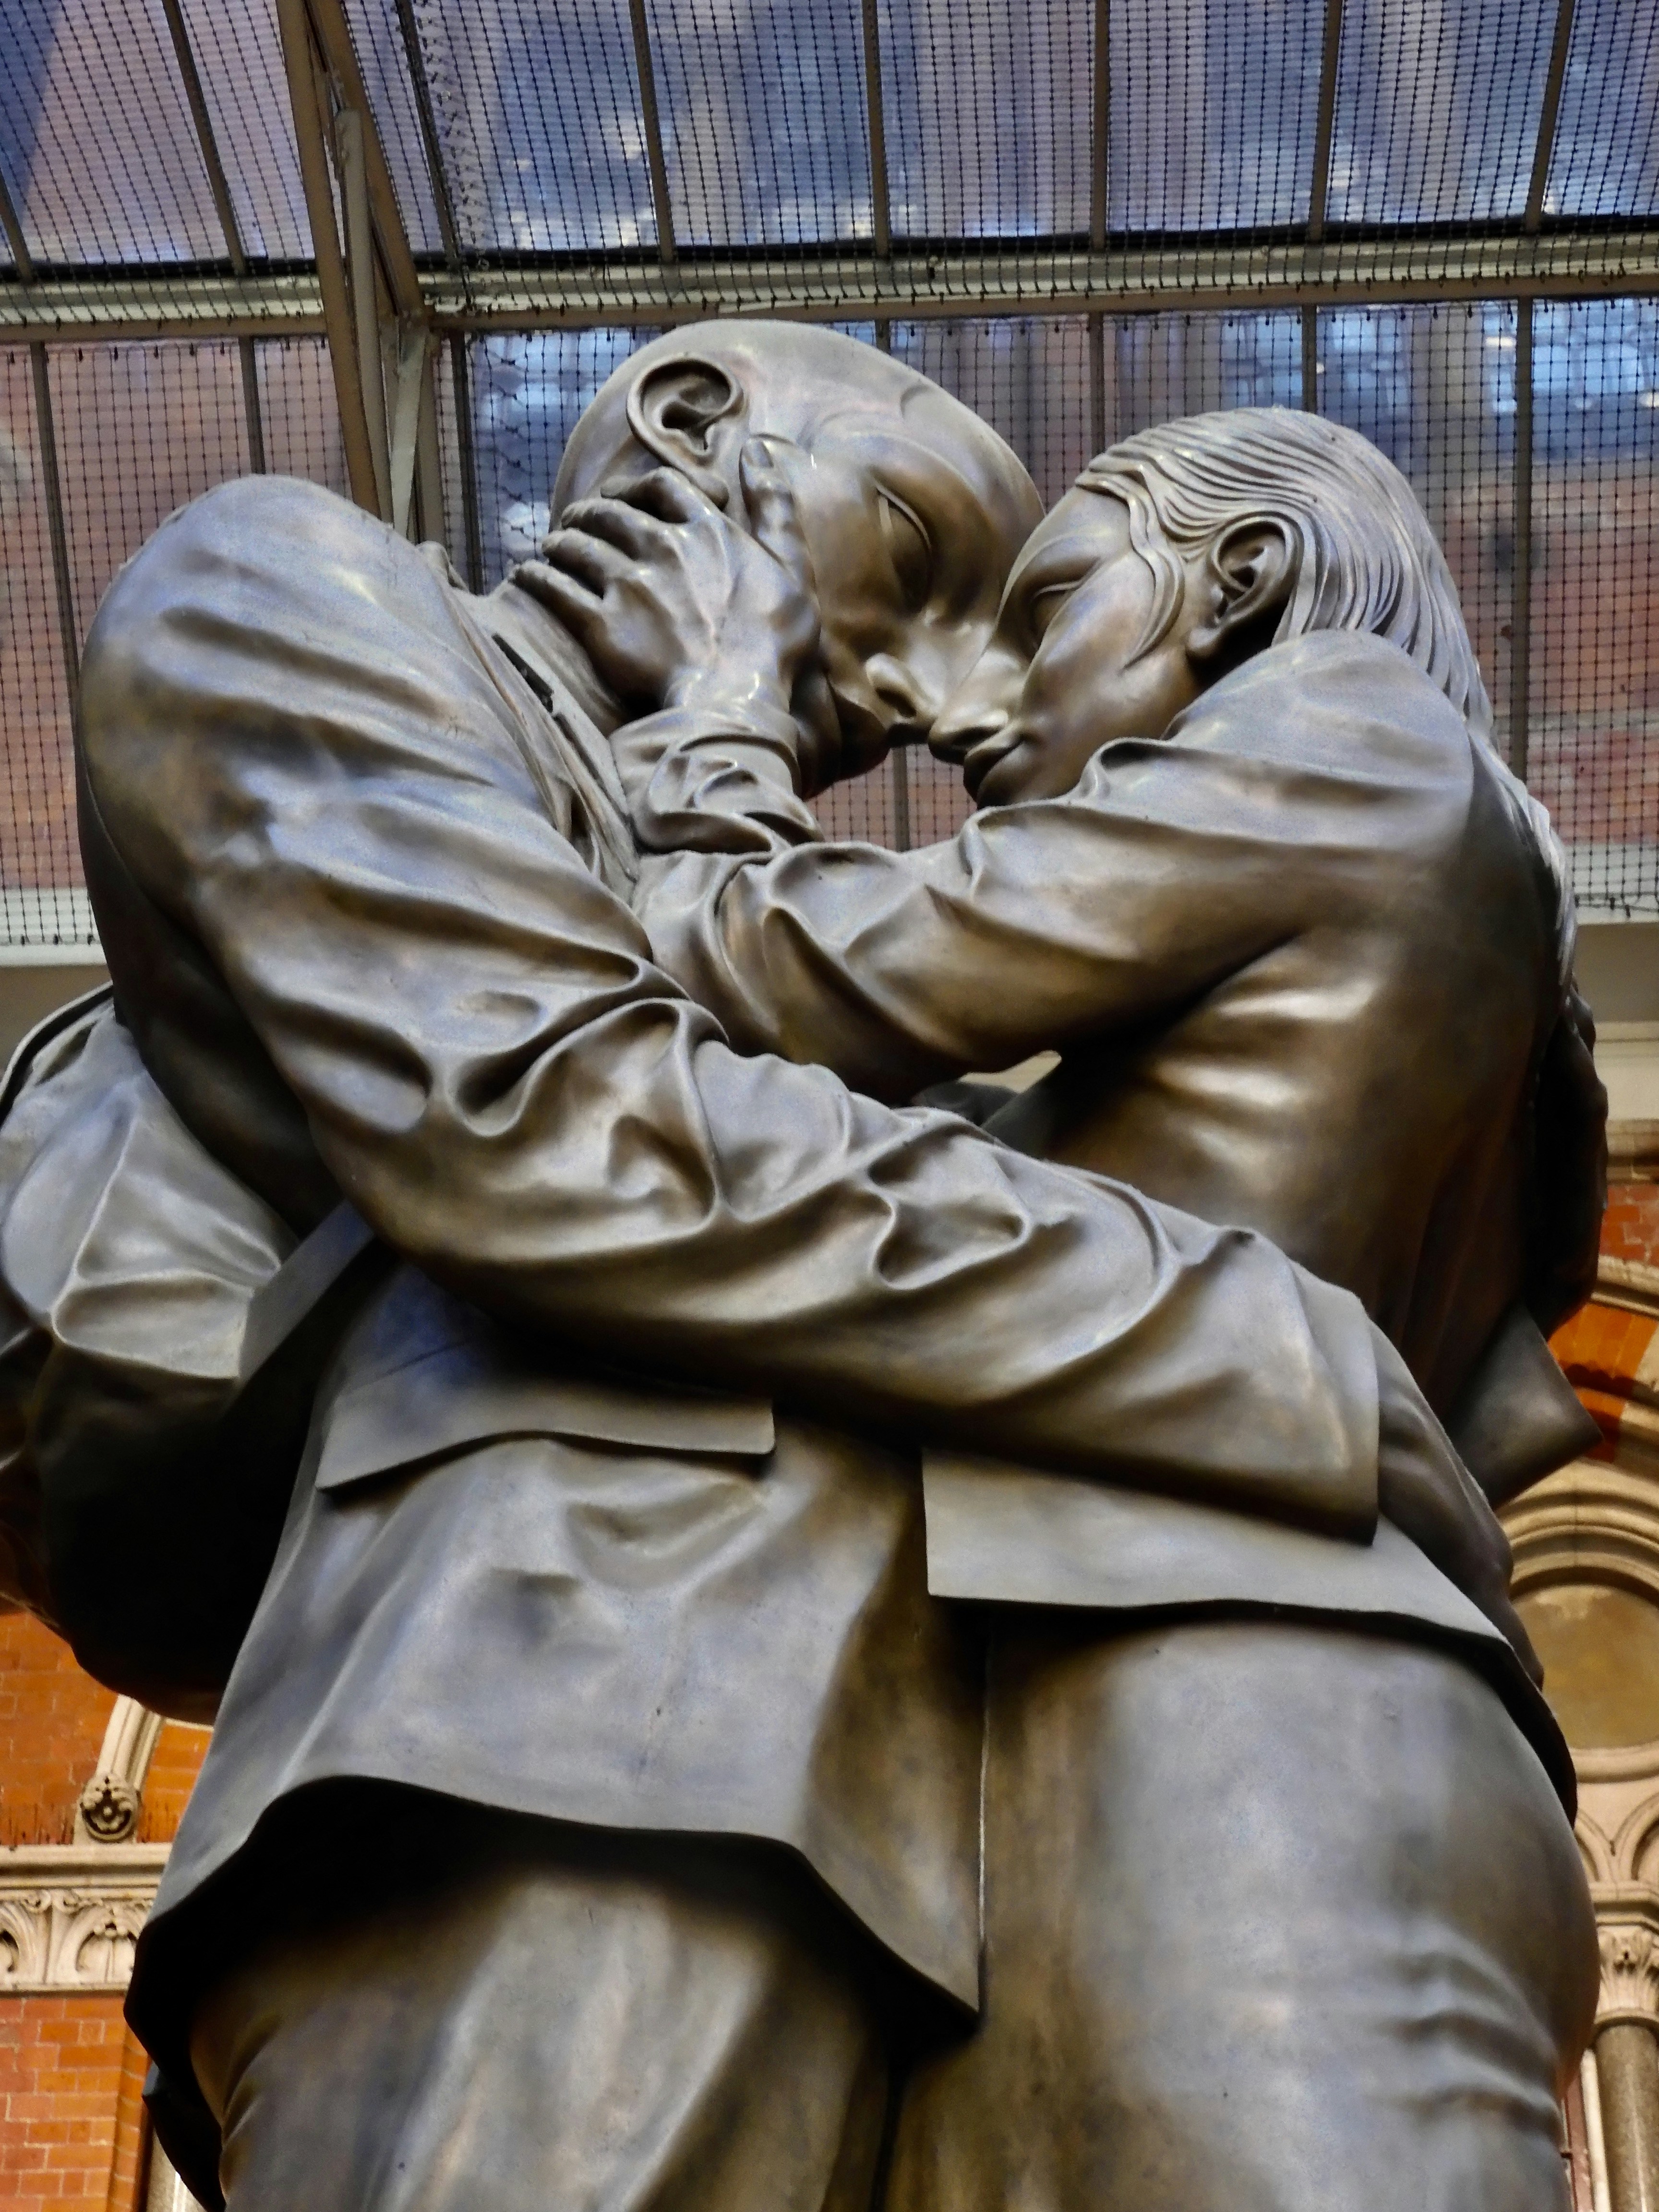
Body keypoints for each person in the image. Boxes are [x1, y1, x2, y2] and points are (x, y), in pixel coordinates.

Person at [39, 340, 1502, 2212]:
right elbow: (561, 1122)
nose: (938, 699)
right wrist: (1248, 1334)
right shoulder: (292, 590)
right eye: (915, 554)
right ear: (694, 430)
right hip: (533, 1738)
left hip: (877, 1806)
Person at [545, 405, 1607, 2209]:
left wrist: (723, 710)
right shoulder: (1464, 1000)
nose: (972, 718)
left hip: (1233, 1718)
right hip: (1256, 1716)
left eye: (1048, 614)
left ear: (1242, 583)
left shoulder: (1342, 729)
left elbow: (767, 971)